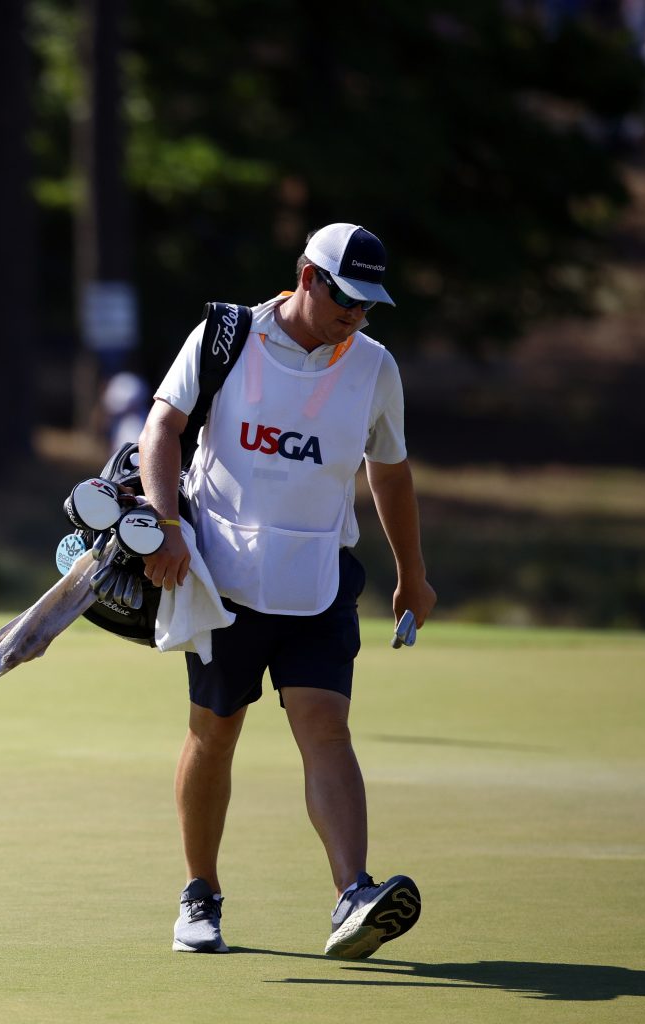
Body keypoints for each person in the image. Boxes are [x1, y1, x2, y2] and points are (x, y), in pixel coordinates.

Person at [137, 223, 437, 959]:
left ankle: (352, 895)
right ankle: (198, 896)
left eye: (368, 304)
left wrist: (412, 573)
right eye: (345, 298)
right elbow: (162, 428)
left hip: (320, 579)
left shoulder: (373, 365)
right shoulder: (225, 336)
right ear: (307, 277)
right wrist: (167, 524)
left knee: (326, 728)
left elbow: (389, 473)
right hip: (223, 577)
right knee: (215, 733)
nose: (355, 315)